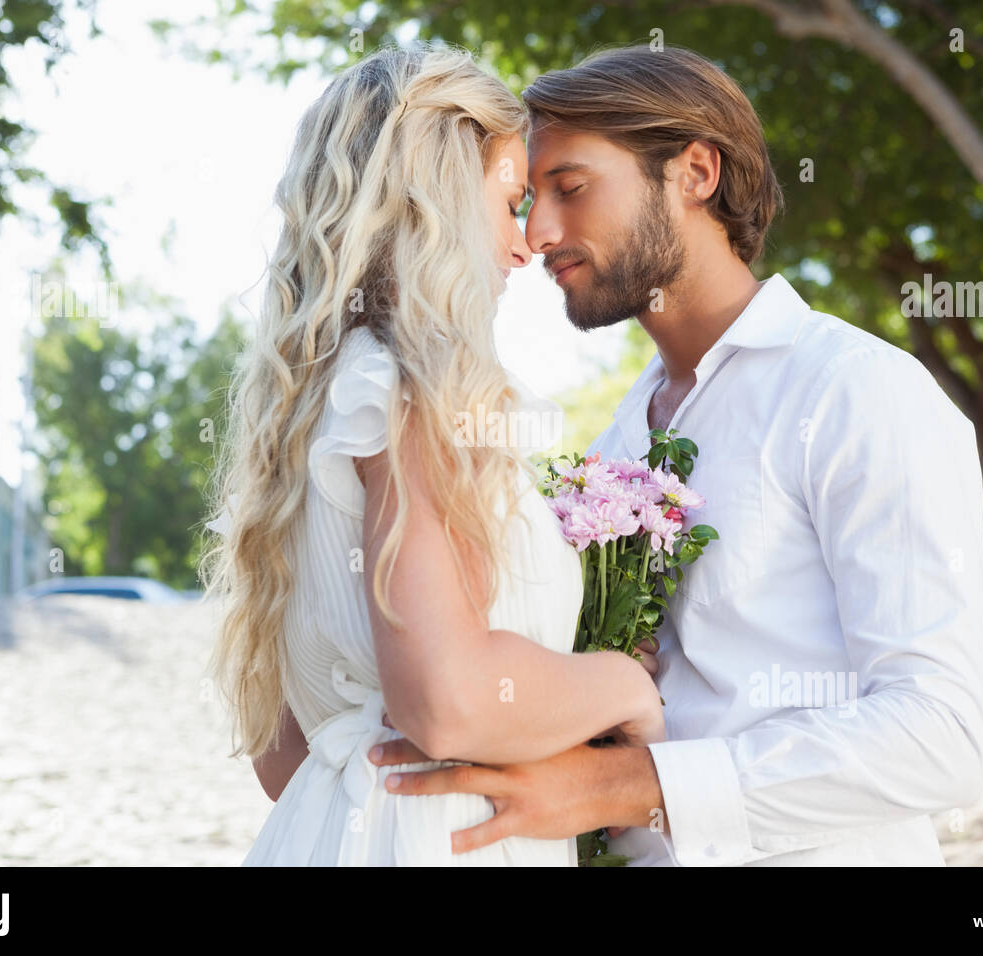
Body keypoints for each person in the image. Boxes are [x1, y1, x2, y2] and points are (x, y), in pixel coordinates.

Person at [371, 44, 983, 866]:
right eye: (530, 198)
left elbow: (939, 736)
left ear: (695, 171)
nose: (539, 233)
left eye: (572, 187)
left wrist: (631, 787)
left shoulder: (858, 392)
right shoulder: (612, 445)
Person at [201, 44, 663, 866]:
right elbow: (447, 702)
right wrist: (625, 686)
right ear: (440, 191)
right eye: (511, 197)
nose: (526, 245)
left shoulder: (303, 413)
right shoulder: (417, 391)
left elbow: (287, 763)